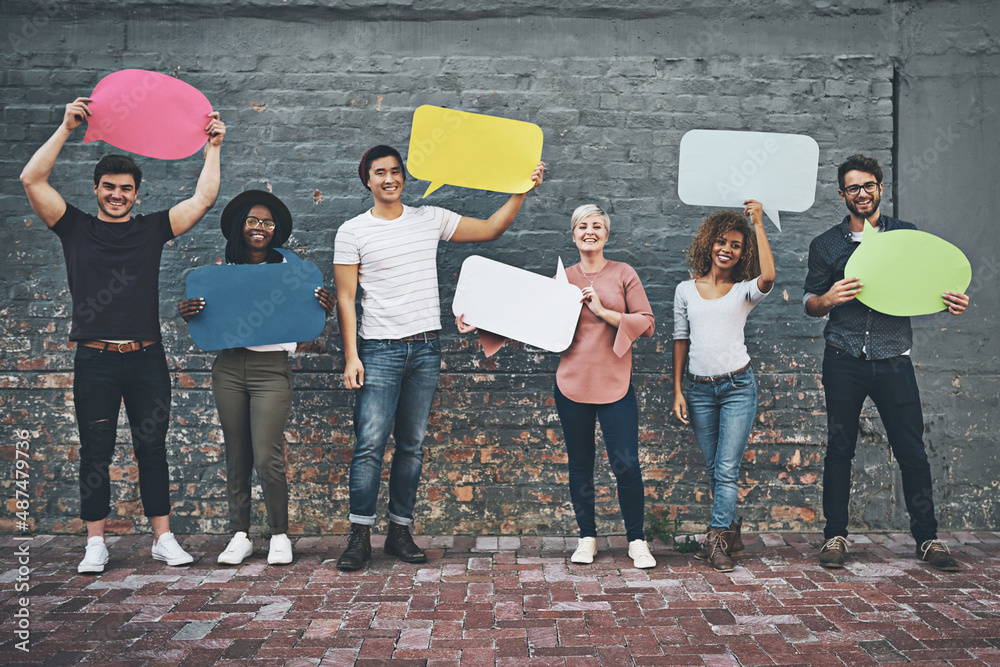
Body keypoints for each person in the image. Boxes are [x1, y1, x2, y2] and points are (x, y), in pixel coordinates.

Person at [19, 96, 225, 573]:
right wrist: (67, 126)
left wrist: (212, 147)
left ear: (137, 193)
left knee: (152, 448)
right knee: (95, 452)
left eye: (126, 188)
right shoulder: (73, 227)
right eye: (109, 187)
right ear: (96, 190)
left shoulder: (152, 229)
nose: (117, 194)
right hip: (95, 360)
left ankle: (163, 538)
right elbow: (32, 178)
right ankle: (96, 542)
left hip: (147, 359)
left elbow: (203, 200)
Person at [332, 145, 544, 571]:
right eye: (380, 173)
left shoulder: (429, 218)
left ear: (403, 178)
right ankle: (359, 537)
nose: (389, 179)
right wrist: (352, 357)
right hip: (378, 350)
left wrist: (523, 190)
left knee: (411, 446)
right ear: (367, 180)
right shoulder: (352, 231)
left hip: (426, 348)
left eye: (395, 171)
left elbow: (489, 230)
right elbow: (346, 298)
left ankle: (399, 531)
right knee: (370, 445)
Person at [459, 205, 657, 568]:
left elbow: (646, 323)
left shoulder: (623, 274)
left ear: (606, 234)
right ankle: (587, 538)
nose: (590, 231)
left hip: (616, 383)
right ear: (573, 235)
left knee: (626, 463)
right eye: (583, 226)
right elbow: (526, 318)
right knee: (580, 463)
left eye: (597, 225)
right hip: (572, 385)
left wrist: (602, 311)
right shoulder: (562, 279)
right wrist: (479, 323)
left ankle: (637, 540)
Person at [803, 154, 969, 571]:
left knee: (912, 450)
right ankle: (835, 536)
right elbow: (810, 303)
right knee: (840, 448)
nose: (862, 193)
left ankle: (927, 540)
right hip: (843, 358)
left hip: (894, 358)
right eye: (853, 188)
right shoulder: (825, 245)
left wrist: (951, 302)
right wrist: (829, 299)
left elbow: (928, 287)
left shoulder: (906, 236)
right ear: (842, 194)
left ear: (880, 188)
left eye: (869, 185)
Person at [179, 190, 335, 566]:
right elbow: (210, 323)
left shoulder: (293, 272)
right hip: (229, 369)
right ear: (240, 227)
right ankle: (239, 534)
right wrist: (190, 312)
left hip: (271, 371)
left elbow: (306, 329)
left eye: (267, 223)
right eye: (253, 221)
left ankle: (280, 534)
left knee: (267, 455)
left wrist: (319, 311)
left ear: (275, 230)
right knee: (237, 454)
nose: (260, 228)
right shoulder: (221, 276)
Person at [672, 200, 775, 572]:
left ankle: (715, 541)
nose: (727, 249)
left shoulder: (744, 291)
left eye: (736, 244)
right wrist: (678, 390)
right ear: (708, 244)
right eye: (721, 241)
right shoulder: (685, 290)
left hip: (737, 387)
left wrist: (758, 226)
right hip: (698, 390)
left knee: (726, 468)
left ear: (743, 252)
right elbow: (679, 339)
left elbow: (770, 278)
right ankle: (731, 532)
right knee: (715, 467)